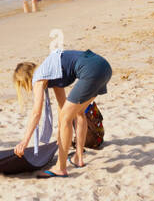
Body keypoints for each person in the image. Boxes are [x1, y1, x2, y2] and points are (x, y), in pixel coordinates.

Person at [13, 48, 113, 177]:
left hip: (91, 70)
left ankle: (60, 167)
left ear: (25, 80)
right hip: (103, 67)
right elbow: (63, 106)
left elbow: (36, 113)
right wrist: (60, 134)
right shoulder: (51, 70)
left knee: (66, 117)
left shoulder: (38, 77)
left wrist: (24, 142)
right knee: (78, 112)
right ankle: (78, 158)